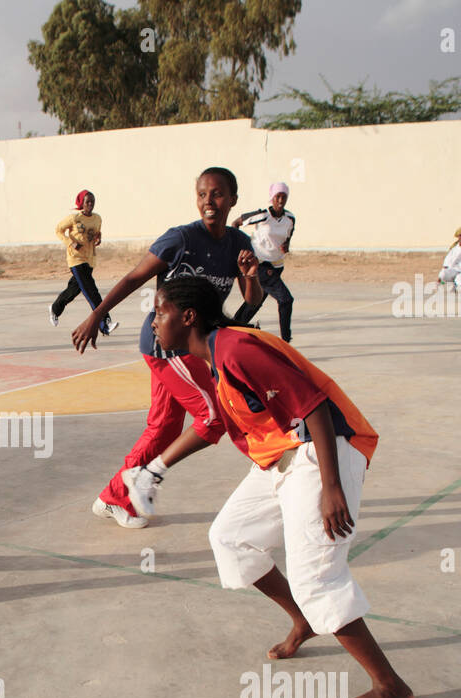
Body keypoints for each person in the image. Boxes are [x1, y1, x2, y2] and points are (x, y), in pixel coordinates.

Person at [130, 275, 414, 698]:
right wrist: (154, 470)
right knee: (230, 536)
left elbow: (314, 405)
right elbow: (215, 427)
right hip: (280, 458)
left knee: (317, 576)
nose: (153, 321)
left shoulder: (236, 350)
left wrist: (331, 487)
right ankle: (303, 619)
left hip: (324, 452)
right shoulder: (216, 359)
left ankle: (391, 686)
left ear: (187, 317)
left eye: (159, 311)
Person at [71, 167, 262, 528]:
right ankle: (145, 478)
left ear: (233, 199)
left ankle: (112, 498)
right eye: (203, 194)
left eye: (218, 194)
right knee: (214, 416)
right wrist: (97, 314)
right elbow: (134, 277)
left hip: (193, 347)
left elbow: (252, 300)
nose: (210, 201)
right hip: (166, 346)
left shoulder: (238, 244)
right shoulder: (181, 239)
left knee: (164, 428)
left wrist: (251, 276)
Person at [232, 182, 296, 341]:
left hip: (277, 266)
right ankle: (285, 341)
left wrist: (285, 246)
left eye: (284, 197)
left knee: (254, 303)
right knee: (286, 300)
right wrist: (238, 246)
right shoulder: (262, 216)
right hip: (260, 265)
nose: (280, 200)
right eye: (277, 197)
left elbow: (288, 237)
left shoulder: (290, 218)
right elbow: (236, 223)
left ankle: (230, 329)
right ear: (272, 198)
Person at [49, 190, 118, 335]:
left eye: (92, 201)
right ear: (81, 203)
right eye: (87, 202)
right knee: (91, 292)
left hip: (90, 259)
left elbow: (97, 234)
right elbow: (58, 230)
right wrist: (70, 242)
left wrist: (98, 239)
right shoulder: (74, 218)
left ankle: (55, 308)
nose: (90, 204)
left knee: (73, 290)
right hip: (76, 259)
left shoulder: (97, 218)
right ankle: (105, 324)